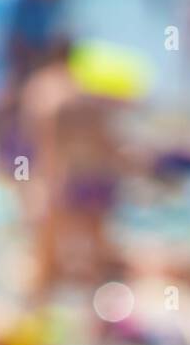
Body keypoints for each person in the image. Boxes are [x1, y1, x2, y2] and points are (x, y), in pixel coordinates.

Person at [18, 39, 135, 301]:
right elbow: (110, 143)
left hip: (66, 176)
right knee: (96, 250)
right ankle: (98, 313)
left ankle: (38, 304)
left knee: (46, 250)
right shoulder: (89, 91)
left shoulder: (43, 90)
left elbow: (42, 143)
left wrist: (39, 184)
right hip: (100, 178)